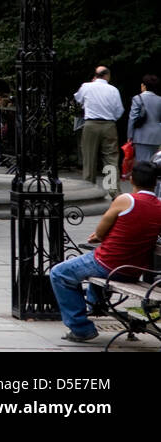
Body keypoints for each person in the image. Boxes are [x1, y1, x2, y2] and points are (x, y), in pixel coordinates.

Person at [50, 159, 161, 342]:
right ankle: (95, 303)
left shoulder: (125, 200)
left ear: (131, 179)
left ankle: (81, 327)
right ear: (155, 182)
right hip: (134, 270)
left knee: (59, 273)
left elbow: (101, 233)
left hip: (108, 264)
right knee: (83, 267)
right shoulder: (159, 206)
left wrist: (98, 236)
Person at [75, 66, 124, 192]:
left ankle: (88, 189)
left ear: (95, 75)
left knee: (89, 157)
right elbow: (119, 110)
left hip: (91, 124)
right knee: (111, 159)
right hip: (109, 125)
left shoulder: (86, 86)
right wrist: (111, 119)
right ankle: (113, 191)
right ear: (107, 76)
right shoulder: (113, 90)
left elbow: (78, 99)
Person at [126, 74, 161, 174]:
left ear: (144, 86)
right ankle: (153, 187)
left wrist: (130, 136)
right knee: (154, 163)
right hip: (156, 136)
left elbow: (132, 118)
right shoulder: (159, 100)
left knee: (142, 164)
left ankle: (143, 184)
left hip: (141, 136)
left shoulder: (137, 98)